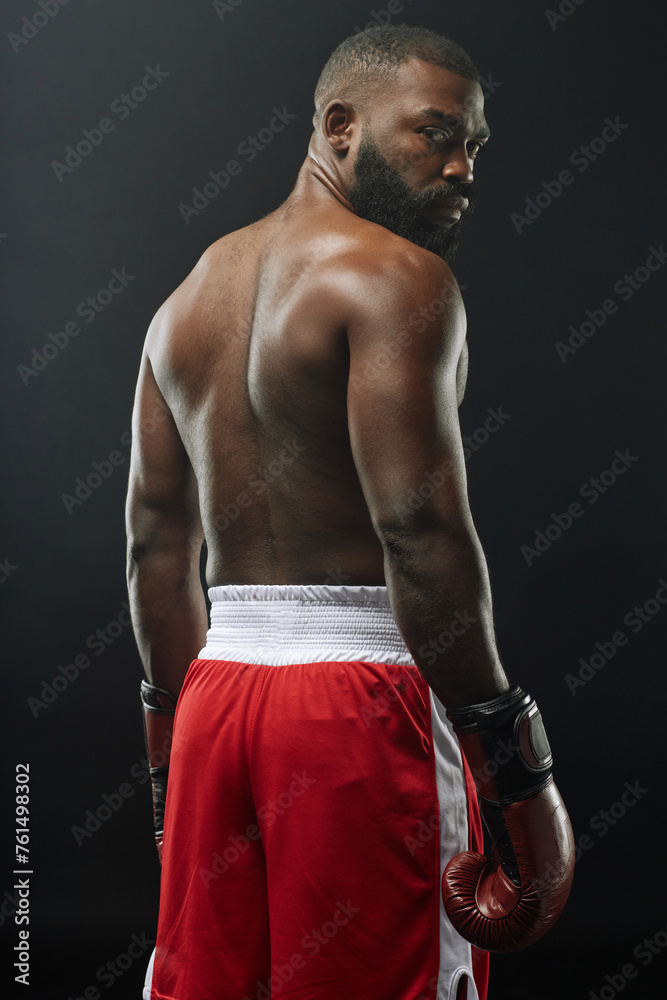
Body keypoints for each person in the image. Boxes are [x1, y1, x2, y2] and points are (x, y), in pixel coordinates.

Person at [126, 24, 574, 1000]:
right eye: (435, 133)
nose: (462, 168)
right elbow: (417, 530)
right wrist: (512, 759)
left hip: (215, 702)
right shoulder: (398, 278)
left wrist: (169, 755)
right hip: (360, 701)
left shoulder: (183, 301)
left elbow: (155, 548)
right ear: (339, 126)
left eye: (474, 147)